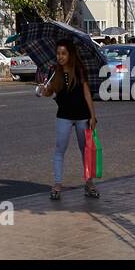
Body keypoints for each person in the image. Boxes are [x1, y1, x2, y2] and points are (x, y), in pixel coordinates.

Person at [38, 36, 99, 200]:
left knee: (85, 151)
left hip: (82, 116)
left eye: (63, 53)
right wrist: (44, 90)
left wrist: (93, 116)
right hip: (64, 115)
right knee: (59, 150)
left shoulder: (79, 69)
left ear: (70, 54)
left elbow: (86, 93)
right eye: (58, 53)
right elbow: (52, 92)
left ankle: (89, 183)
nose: (60, 56)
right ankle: (57, 185)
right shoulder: (54, 71)